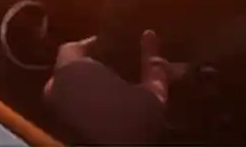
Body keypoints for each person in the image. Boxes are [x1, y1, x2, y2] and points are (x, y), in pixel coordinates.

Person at [43, 30, 181, 144]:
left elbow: (67, 55)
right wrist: (155, 63)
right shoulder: (145, 112)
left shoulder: (70, 77)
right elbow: (157, 88)